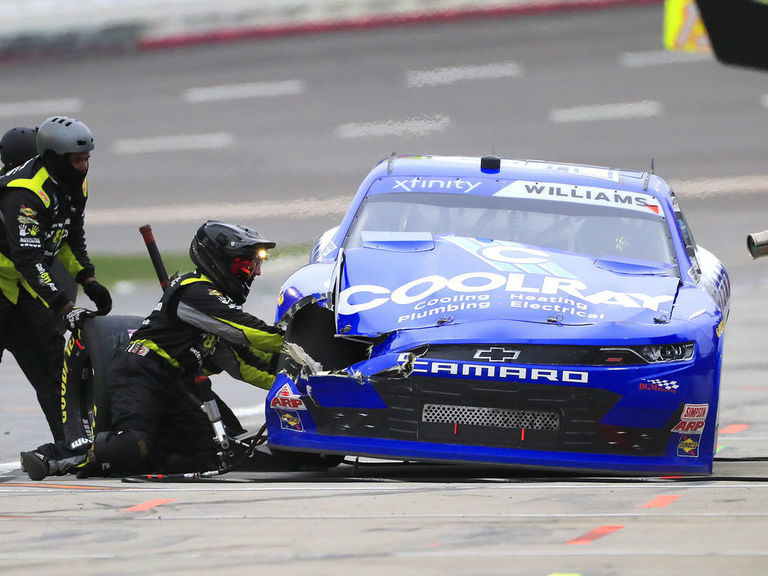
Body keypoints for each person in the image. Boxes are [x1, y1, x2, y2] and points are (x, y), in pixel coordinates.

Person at [20, 221, 285, 481]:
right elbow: (253, 333)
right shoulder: (195, 291)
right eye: (246, 266)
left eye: (256, 265)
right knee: (132, 444)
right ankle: (51, 456)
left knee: (217, 453)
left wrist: (300, 381)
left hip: (179, 383)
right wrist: (295, 338)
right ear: (218, 261)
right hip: (142, 374)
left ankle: (132, 459)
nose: (255, 274)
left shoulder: (214, 312)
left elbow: (246, 365)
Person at [0, 116, 112, 444]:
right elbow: (28, 258)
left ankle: (72, 446)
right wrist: (64, 306)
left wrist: (87, 278)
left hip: (22, 286)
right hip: (14, 278)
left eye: (86, 159)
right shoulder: (23, 194)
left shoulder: (74, 184)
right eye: (77, 160)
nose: (84, 167)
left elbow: (67, 235)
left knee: (54, 368)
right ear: (55, 158)